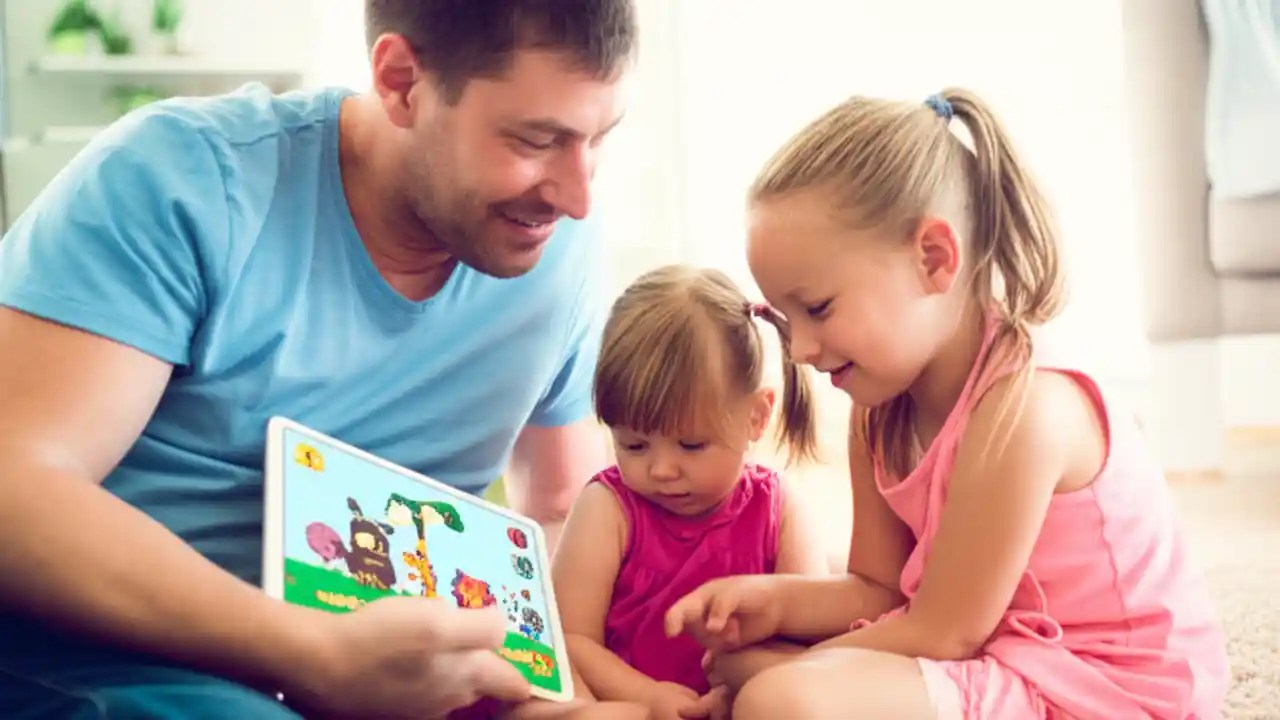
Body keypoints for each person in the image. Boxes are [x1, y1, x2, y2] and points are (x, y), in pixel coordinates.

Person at [0, 1, 641, 718]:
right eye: (535, 140)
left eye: (598, 139)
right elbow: (15, 489)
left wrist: (549, 691)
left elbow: (564, 507)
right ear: (401, 81)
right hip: (99, 663)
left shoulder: (558, 250)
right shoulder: (184, 180)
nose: (579, 196)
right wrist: (309, 652)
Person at [664, 88, 1231, 719]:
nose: (798, 350)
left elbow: (944, 632)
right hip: (999, 656)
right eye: (784, 319)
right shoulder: (876, 408)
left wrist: (787, 669)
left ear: (934, 259)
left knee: (781, 698)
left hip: (1102, 687)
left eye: (818, 308)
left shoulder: (1027, 409)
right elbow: (878, 590)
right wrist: (774, 601)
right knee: (766, 672)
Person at [550, 265, 830, 720]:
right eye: (633, 445)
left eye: (691, 445)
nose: (661, 470)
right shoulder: (608, 508)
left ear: (756, 417)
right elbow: (569, 639)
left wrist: (743, 690)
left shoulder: (781, 510)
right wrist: (648, 697)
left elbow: (810, 645)